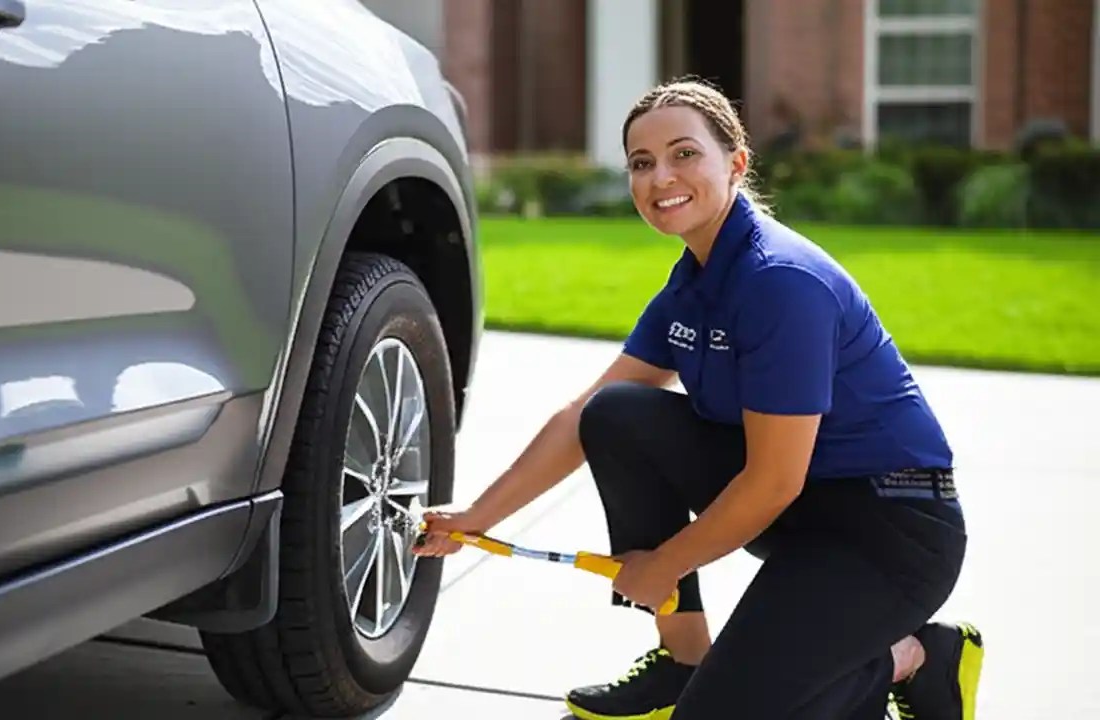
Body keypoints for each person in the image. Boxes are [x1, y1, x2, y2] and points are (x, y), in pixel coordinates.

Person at [414, 78, 984, 720]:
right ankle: (685, 662)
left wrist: (664, 565)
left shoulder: (780, 282)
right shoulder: (695, 280)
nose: (661, 177)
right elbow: (584, 415)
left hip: (887, 530)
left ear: (736, 163)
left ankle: (914, 657)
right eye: (641, 162)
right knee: (617, 413)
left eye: (685, 154)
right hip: (801, 512)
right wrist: (476, 519)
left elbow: (772, 480)